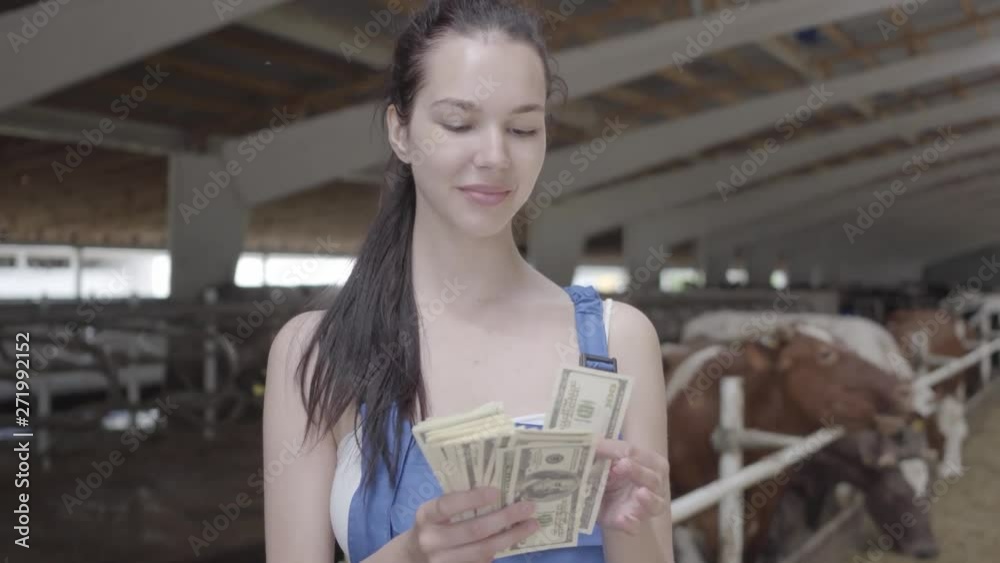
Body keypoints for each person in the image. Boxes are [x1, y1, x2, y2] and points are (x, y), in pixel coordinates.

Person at [262, 1, 673, 561]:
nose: (496, 156)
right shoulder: (318, 354)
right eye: (458, 123)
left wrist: (633, 524)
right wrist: (410, 556)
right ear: (400, 132)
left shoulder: (615, 341)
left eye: (523, 128)